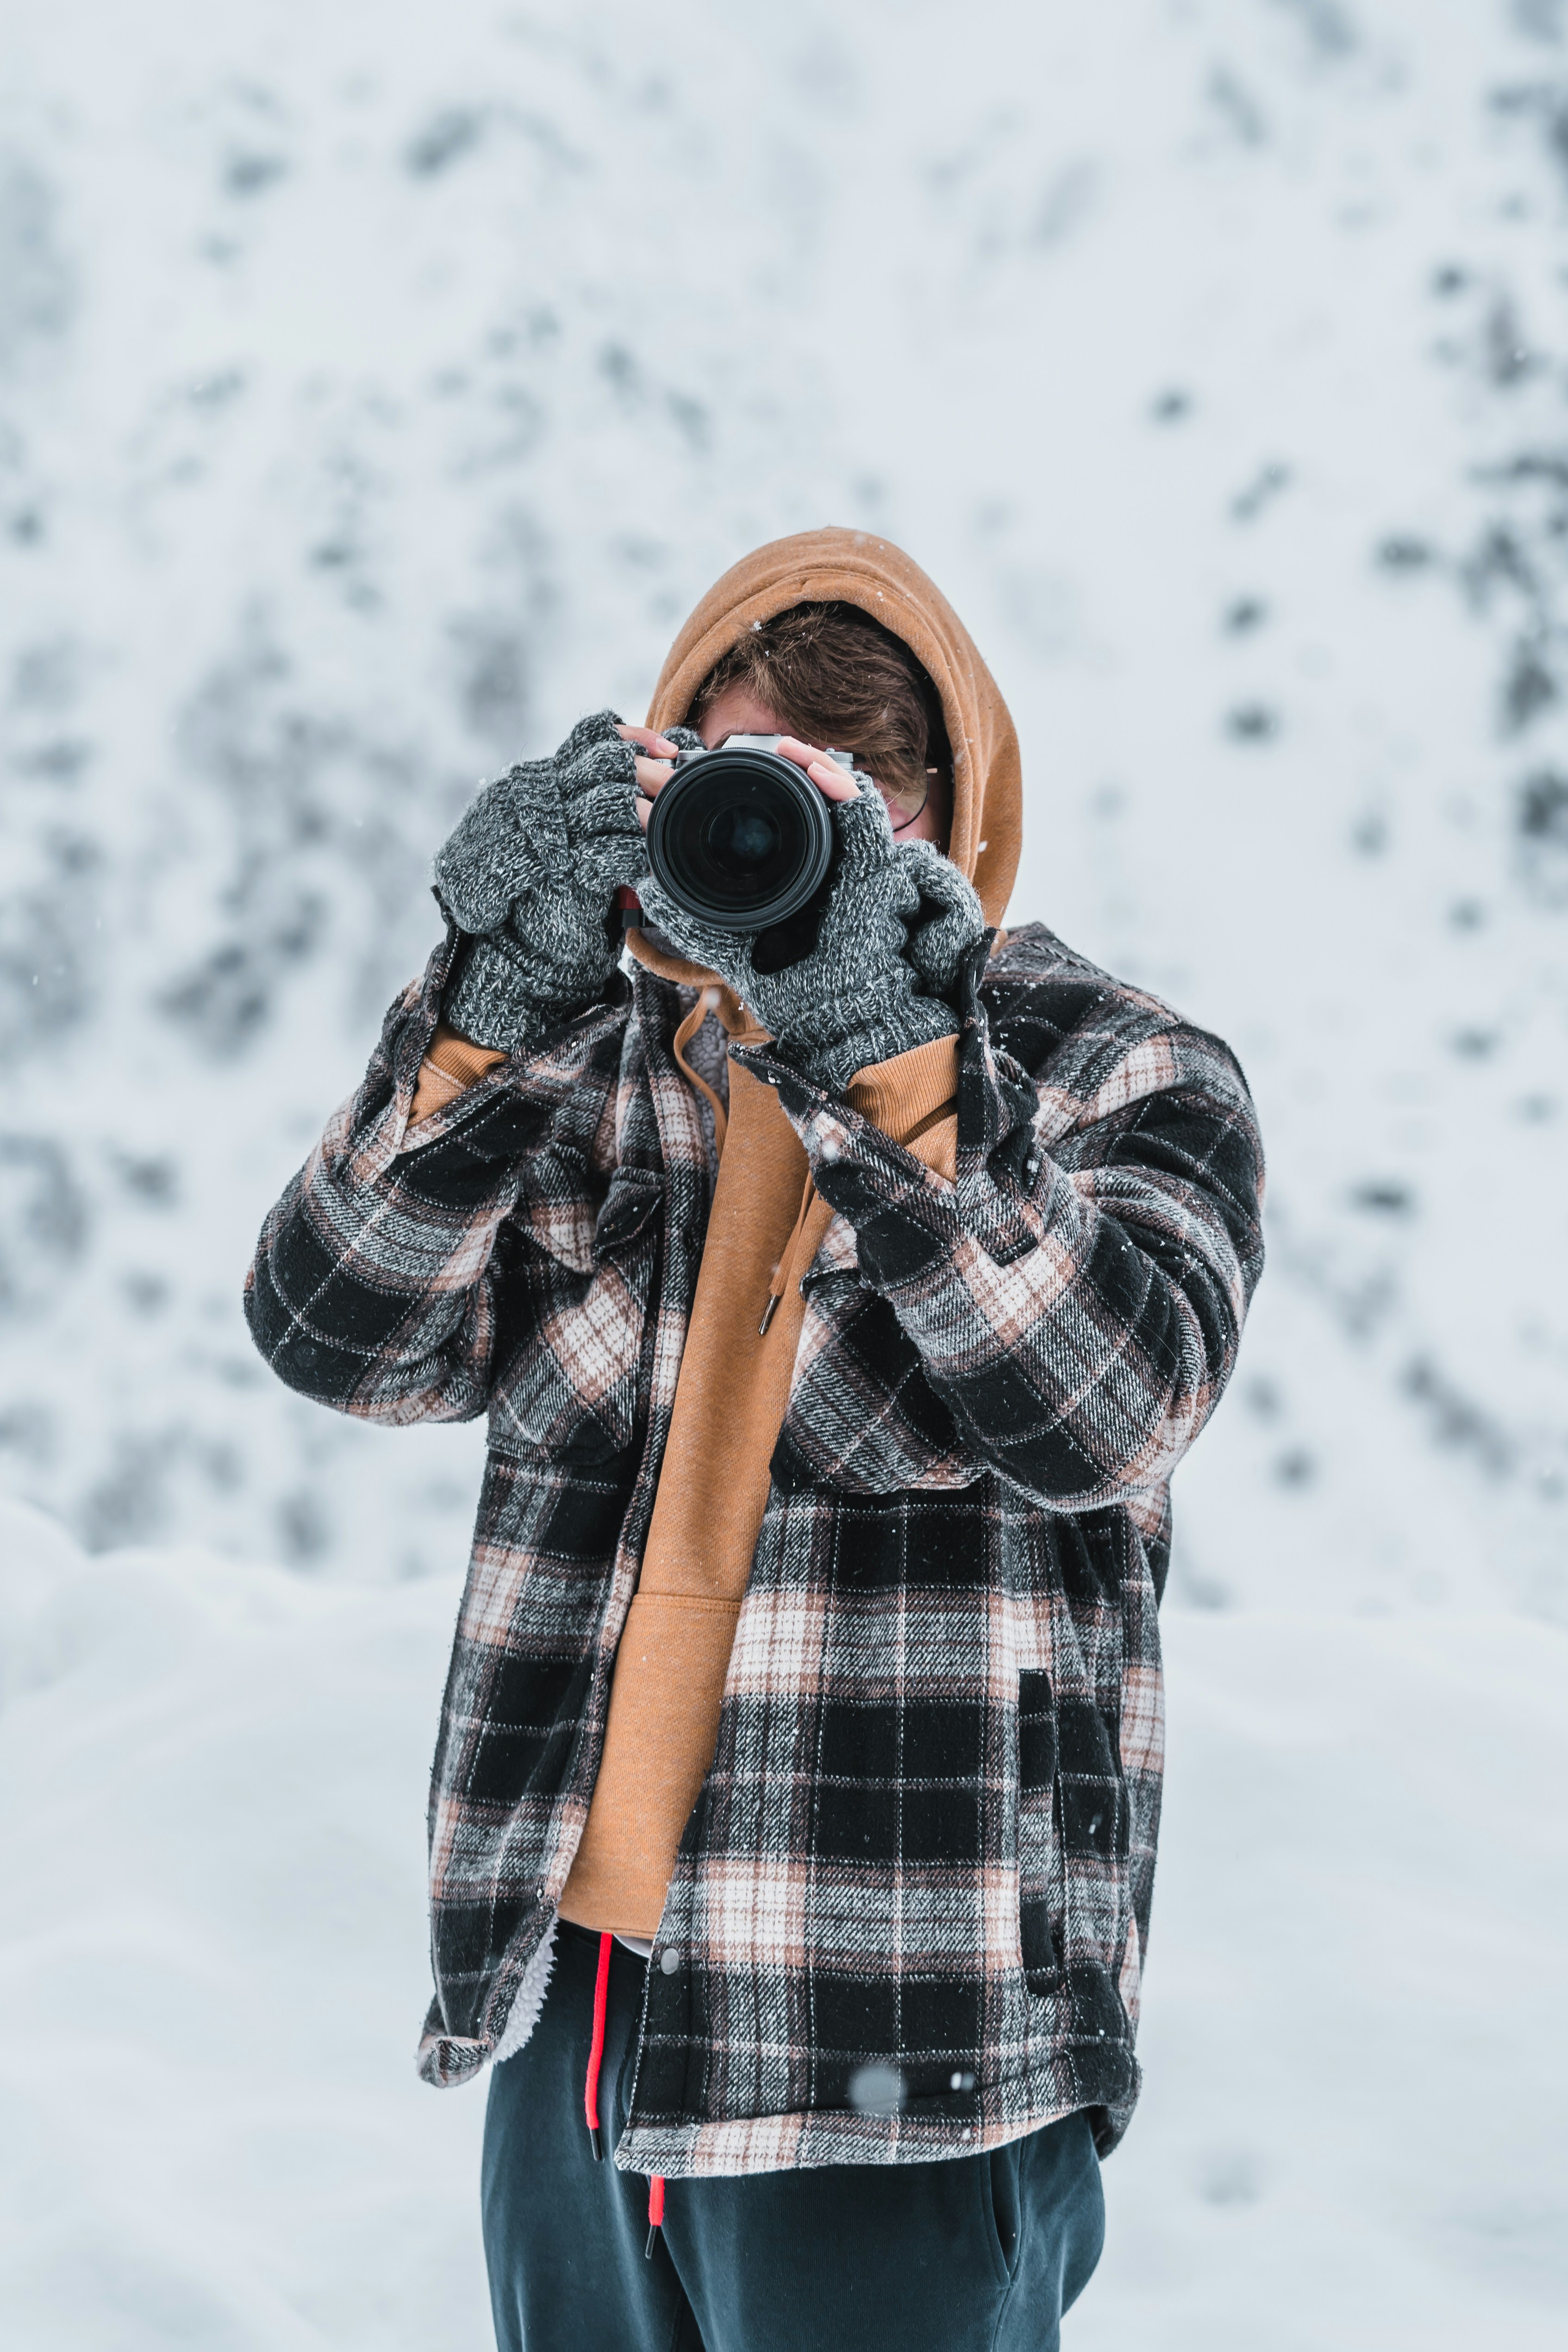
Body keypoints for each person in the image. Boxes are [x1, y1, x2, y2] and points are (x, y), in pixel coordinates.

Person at [246, 529, 1264, 2352]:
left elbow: (1109, 1406)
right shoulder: (606, 1056)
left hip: (903, 2024)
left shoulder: (1118, 1069)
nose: (784, 835)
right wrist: (484, 1005)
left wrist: (886, 1044)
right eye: (733, 777)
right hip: (577, 1999)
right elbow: (339, 1332)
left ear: (953, 815)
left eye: (849, 794)